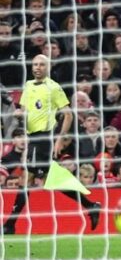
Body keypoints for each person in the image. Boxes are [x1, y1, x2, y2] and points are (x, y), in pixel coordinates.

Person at [3, 55, 100, 234]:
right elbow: (24, 111)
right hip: (33, 138)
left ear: (48, 67)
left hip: (44, 139)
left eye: (41, 65)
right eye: (35, 65)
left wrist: (59, 140)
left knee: (28, 180)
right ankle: (91, 206)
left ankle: (9, 224)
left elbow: (68, 114)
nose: (38, 67)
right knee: (46, 179)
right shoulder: (29, 86)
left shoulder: (53, 88)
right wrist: (18, 113)